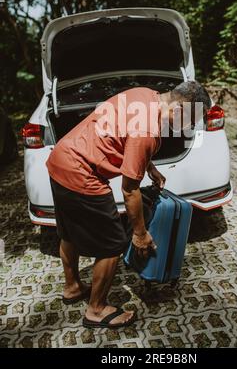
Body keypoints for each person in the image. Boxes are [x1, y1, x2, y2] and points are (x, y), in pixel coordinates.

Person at [46, 81, 211, 328]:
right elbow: (130, 189)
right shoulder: (149, 131)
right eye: (192, 119)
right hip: (83, 173)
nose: (190, 126)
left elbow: (124, 136)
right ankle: (97, 310)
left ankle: (72, 287)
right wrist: (140, 233)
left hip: (61, 159)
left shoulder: (144, 94)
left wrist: (150, 167)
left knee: (68, 232)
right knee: (112, 245)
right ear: (178, 109)